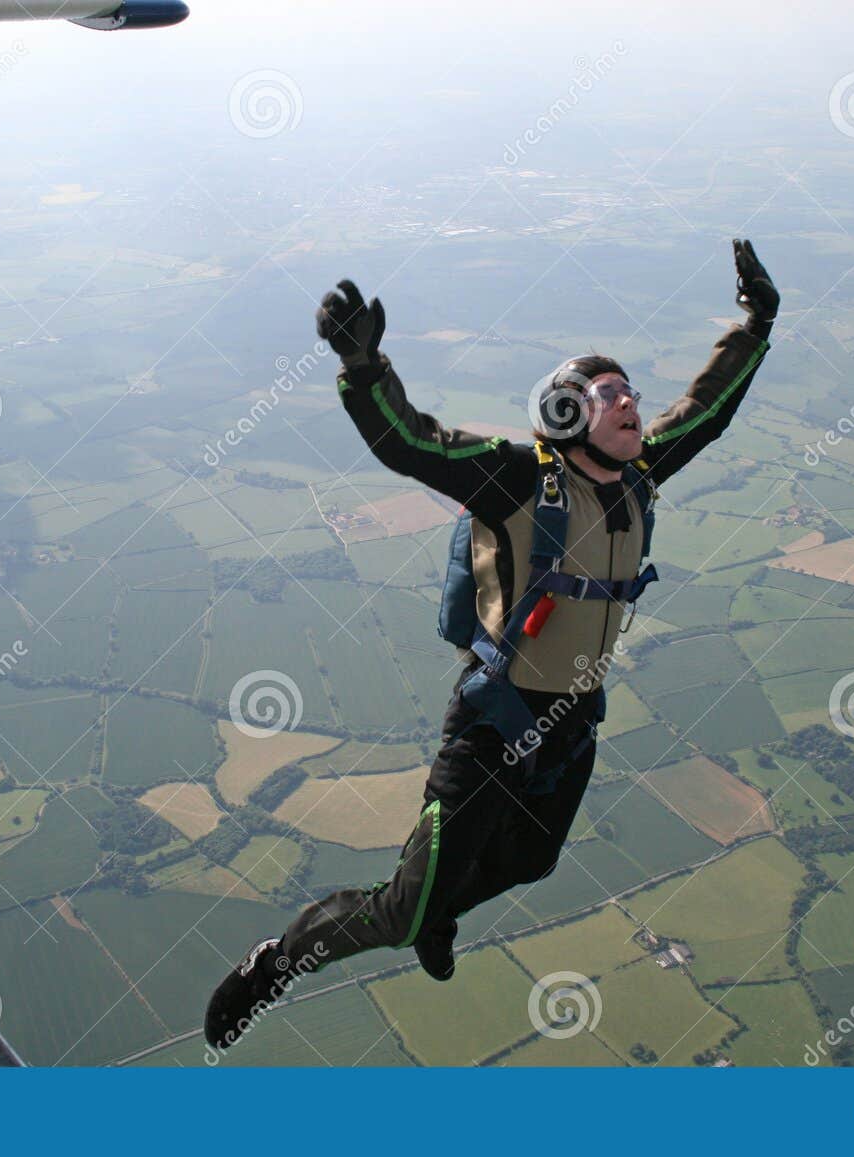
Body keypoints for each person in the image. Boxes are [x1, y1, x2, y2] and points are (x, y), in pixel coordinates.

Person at [204, 239, 778, 1051]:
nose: (631, 403)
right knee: (402, 912)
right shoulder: (517, 480)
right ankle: (278, 962)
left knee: (529, 862)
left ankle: (441, 909)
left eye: (631, 392)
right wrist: (366, 369)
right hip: (493, 728)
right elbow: (413, 443)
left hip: (572, 724)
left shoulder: (641, 476)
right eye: (609, 393)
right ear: (569, 410)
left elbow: (707, 411)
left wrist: (757, 324)